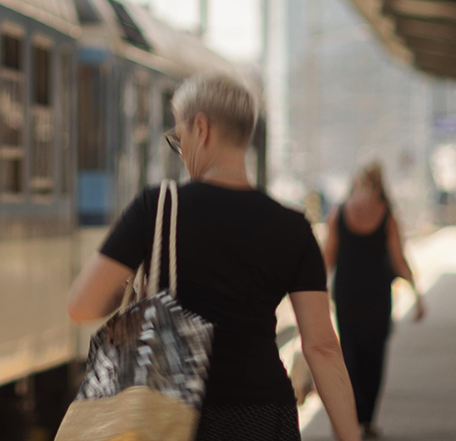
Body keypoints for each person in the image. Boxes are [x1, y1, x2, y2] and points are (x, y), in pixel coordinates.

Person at [67, 72, 360, 441]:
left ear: (201, 128)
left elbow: (82, 306)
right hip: (264, 418)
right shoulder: (293, 227)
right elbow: (321, 346)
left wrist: (131, 285)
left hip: (172, 415)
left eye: (180, 137)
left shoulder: (158, 208)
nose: (182, 150)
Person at [324, 160, 424, 439]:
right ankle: (367, 421)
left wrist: (314, 294)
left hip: (346, 296)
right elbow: (398, 257)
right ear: (381, 181)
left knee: (350, 356)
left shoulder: (339, 213)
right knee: (374, 357)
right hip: (377, 297)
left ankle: (348, 419)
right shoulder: (386, 214)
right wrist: (417, 294)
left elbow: (327, 258)